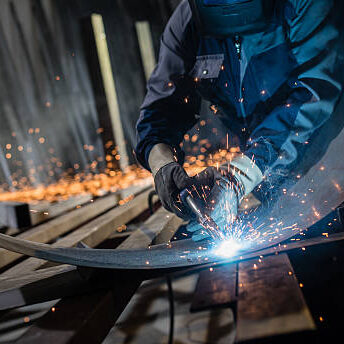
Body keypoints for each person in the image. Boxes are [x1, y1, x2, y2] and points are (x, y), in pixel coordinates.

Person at [135, 0, 344, 241]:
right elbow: (161, 107)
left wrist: (239, 175)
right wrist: (162, 164)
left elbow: (314, 92)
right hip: (267, 174)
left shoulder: (304, 4)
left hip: (330, 165)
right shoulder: (188, 21)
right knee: (300, 262)